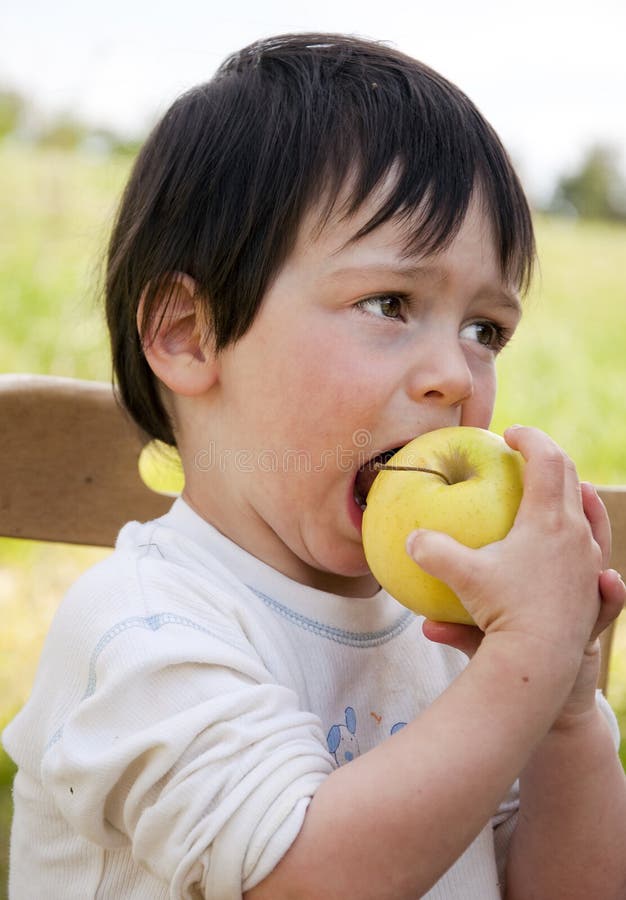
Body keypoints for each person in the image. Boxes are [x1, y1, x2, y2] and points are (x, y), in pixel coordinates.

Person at [3, 32, 626, 900]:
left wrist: (563, 711)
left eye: (485, 331)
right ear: (188, 334)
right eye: (389, 303)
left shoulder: (462, 643)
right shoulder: (142, 631)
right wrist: (526, 667)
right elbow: (308, 878)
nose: (455, 373)